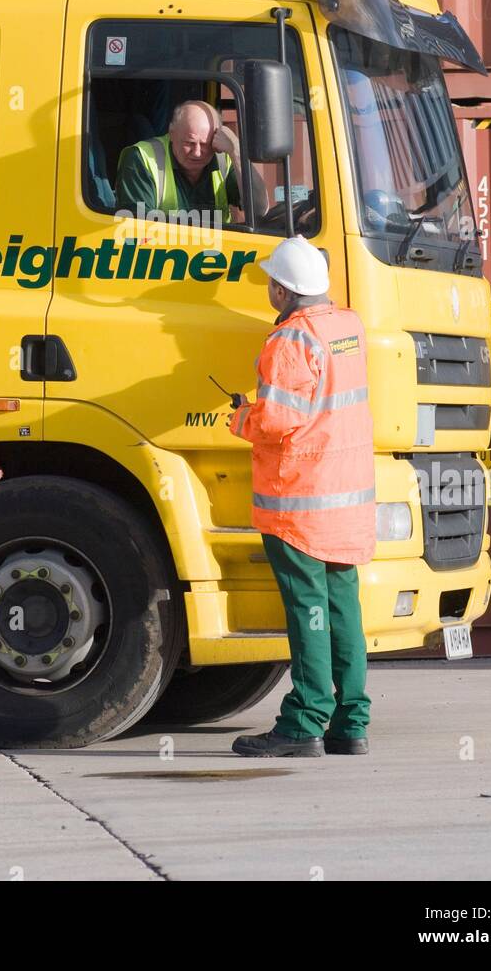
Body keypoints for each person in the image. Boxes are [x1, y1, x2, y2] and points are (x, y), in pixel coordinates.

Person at [229, 236, 376, 758]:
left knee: (308, 614)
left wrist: (241, 415)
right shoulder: (347, 328)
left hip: (300, 508)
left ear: (282, 289)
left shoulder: (291, 341)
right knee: (343, 615)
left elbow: (279, 419)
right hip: (346, 503)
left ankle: (302, 724)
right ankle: (349, 722)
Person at [114, 99, 265, 225]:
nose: (198, 152)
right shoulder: (142, 158)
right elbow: (136, 231)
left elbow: (259, 210)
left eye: (205, 144)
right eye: (189, 143)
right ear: (171, 134)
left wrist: (236, 150)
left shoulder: (225, 159)